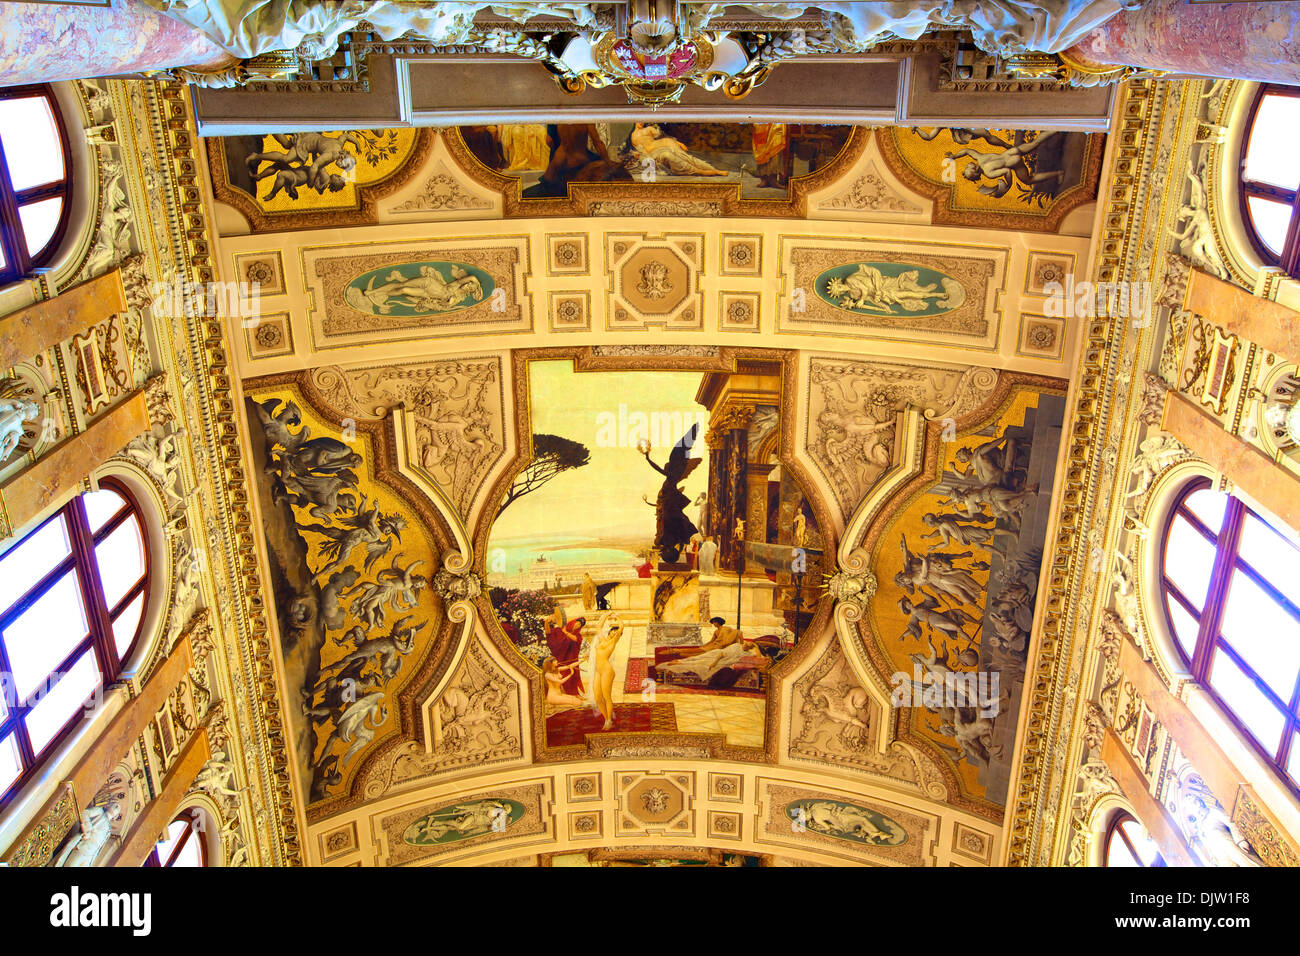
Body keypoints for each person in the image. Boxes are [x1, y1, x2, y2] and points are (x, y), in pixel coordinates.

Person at [592, 612, 626, 731]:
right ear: (610, 631)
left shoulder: (613, 642)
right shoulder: (602, 640)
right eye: (613, 631)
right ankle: (606, 718)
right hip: (598, 671)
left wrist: (617, 617)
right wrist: (607, 615)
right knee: (597, 697)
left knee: (607, 697)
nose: (614, 633)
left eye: (616, 633)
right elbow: (598, 627)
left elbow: (621, 626)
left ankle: (609, 721)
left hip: (607, 670)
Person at [545, 609, 586, 697]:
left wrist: (566, 633)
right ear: (573, 622)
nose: (577, 625)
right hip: (561, 657)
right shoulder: (560, 629)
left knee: (572, 676)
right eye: (577, 623)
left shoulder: (578, 635)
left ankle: (573, 693)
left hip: (571, 658)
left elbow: (575, 640)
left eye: (579, 625)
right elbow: (551, 637)